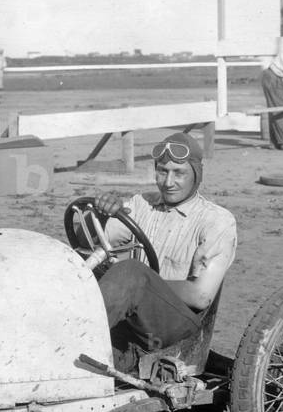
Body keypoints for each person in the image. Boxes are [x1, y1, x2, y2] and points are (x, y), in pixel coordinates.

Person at [94, 132, 237, 370]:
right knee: (78, 264)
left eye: (179, 173)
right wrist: (101, 211)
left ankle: (72, 336)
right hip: (136, 320)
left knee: (131, 272)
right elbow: (98, 241)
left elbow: (200, 296)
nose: (168, 182)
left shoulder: (217, 221)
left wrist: (145, 284)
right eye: (162, 171)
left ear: (196, 176)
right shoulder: (141, 204)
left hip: (178, 328)